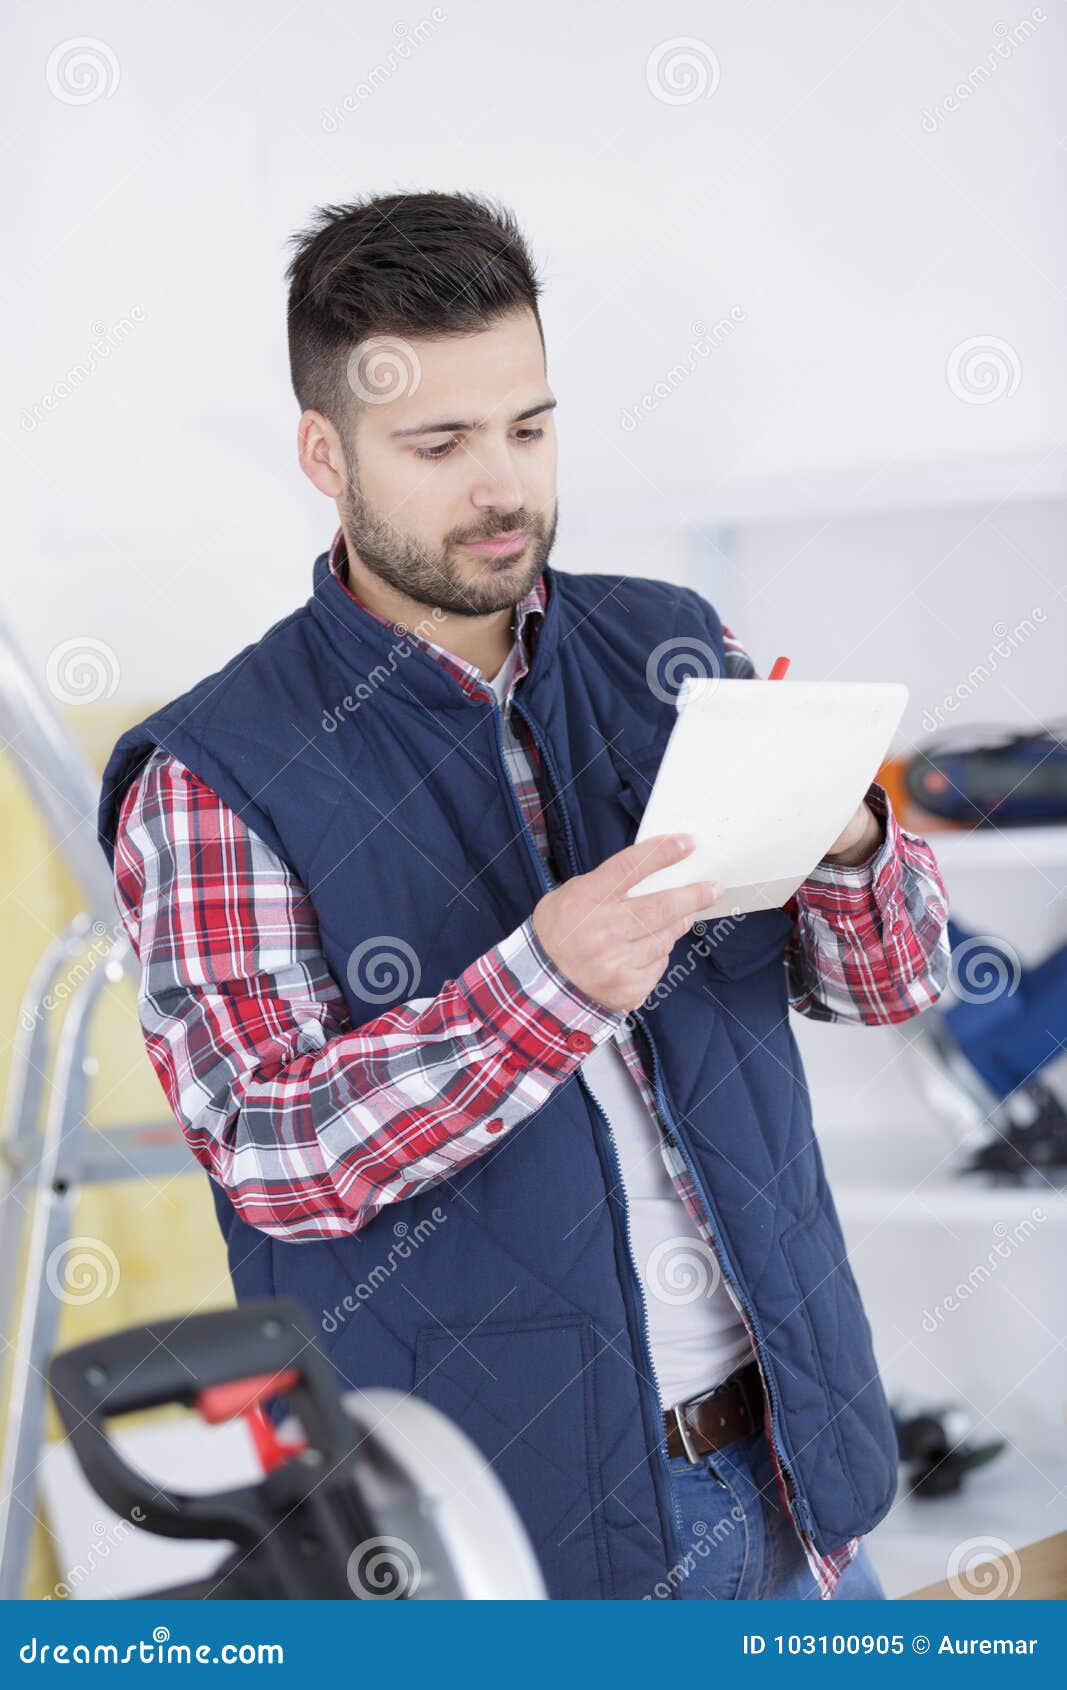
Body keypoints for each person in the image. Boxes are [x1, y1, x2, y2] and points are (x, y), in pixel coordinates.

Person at [97, 191, 950, 1601]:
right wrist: (542, 990)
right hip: (514, 1547)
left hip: (806, 1486)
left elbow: (893, 984)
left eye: (531, 429)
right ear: (326, 454)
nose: (504, 486)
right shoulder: (214, 771)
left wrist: (851, 837)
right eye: (440, 445)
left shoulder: (671, 644)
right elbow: (270, 1154)